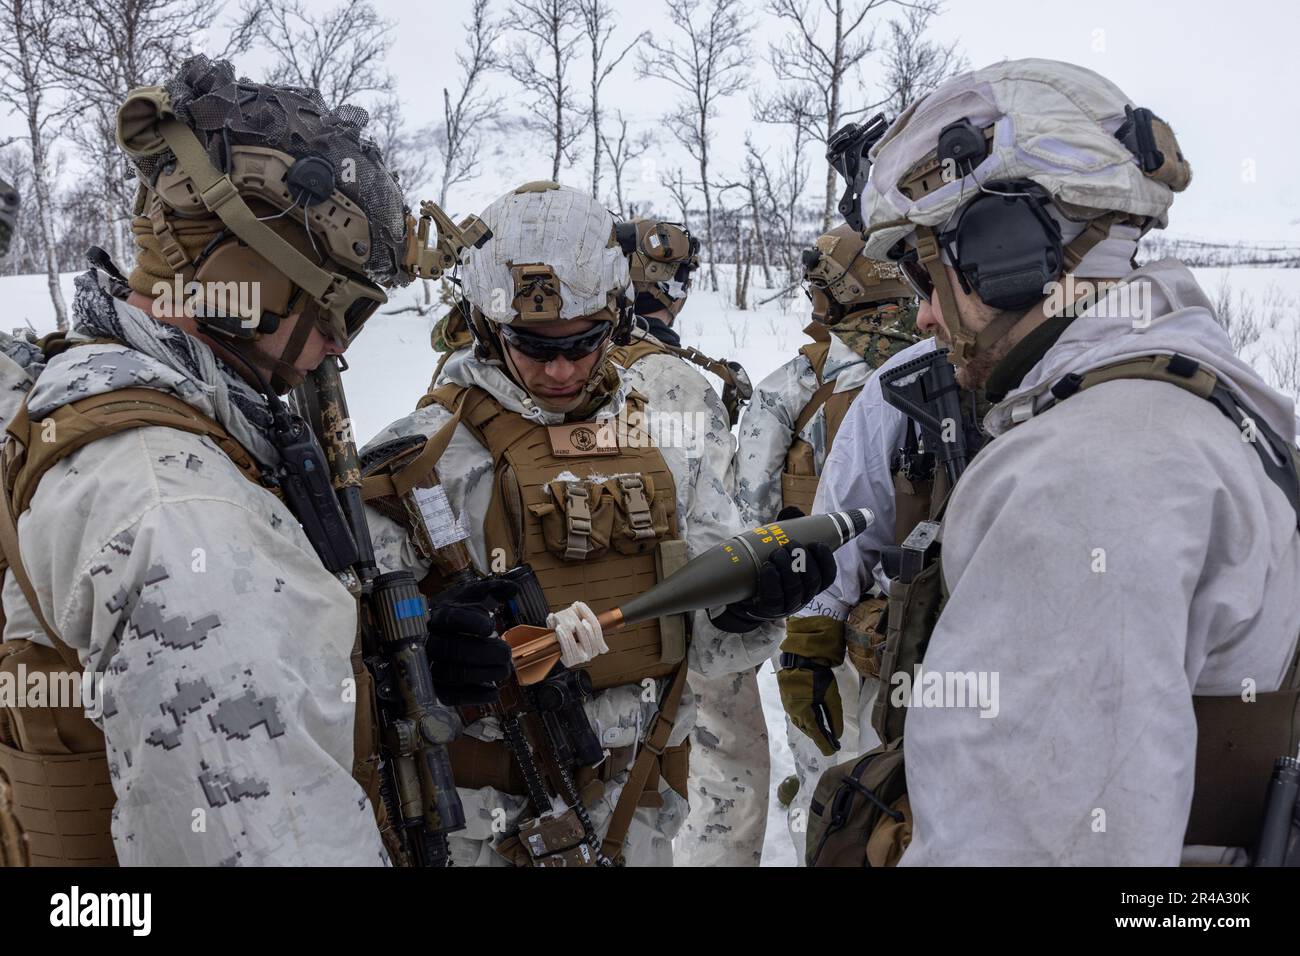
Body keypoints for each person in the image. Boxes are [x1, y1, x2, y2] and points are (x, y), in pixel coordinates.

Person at [0, 56, 509, 867]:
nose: (343, 344)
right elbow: (269, 841)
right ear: (248, 276)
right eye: (343, 307)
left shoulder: (92, 394)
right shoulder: (178, 510)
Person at [827, 56, 1300, 865]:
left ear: (1003, 252)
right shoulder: (1213, 407)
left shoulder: (1081, 477)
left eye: (923, 270)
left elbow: (1024, 844)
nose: (924, 314)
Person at [360, 181, 834, 867]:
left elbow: (699, 643)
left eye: (582, 343)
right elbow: (340, 674)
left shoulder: (665, 435)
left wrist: (749, 606)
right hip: (476, 826)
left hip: (632, 807)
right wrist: (425, 657)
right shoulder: (422, 461)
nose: (559, 367)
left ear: (615, 318)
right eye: (532, 344)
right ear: (488, 325)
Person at [734, 223, 920, 860]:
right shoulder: (952, 360)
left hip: (818, 615)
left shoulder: (794, 384)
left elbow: (750, 517)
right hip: (916, 622)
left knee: (831, 786)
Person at [608, 218, 764, 865]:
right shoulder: (676, 381)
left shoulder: (562, 365)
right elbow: (712, 524)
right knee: (731, 765)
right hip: (682, 609)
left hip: (598, 618)